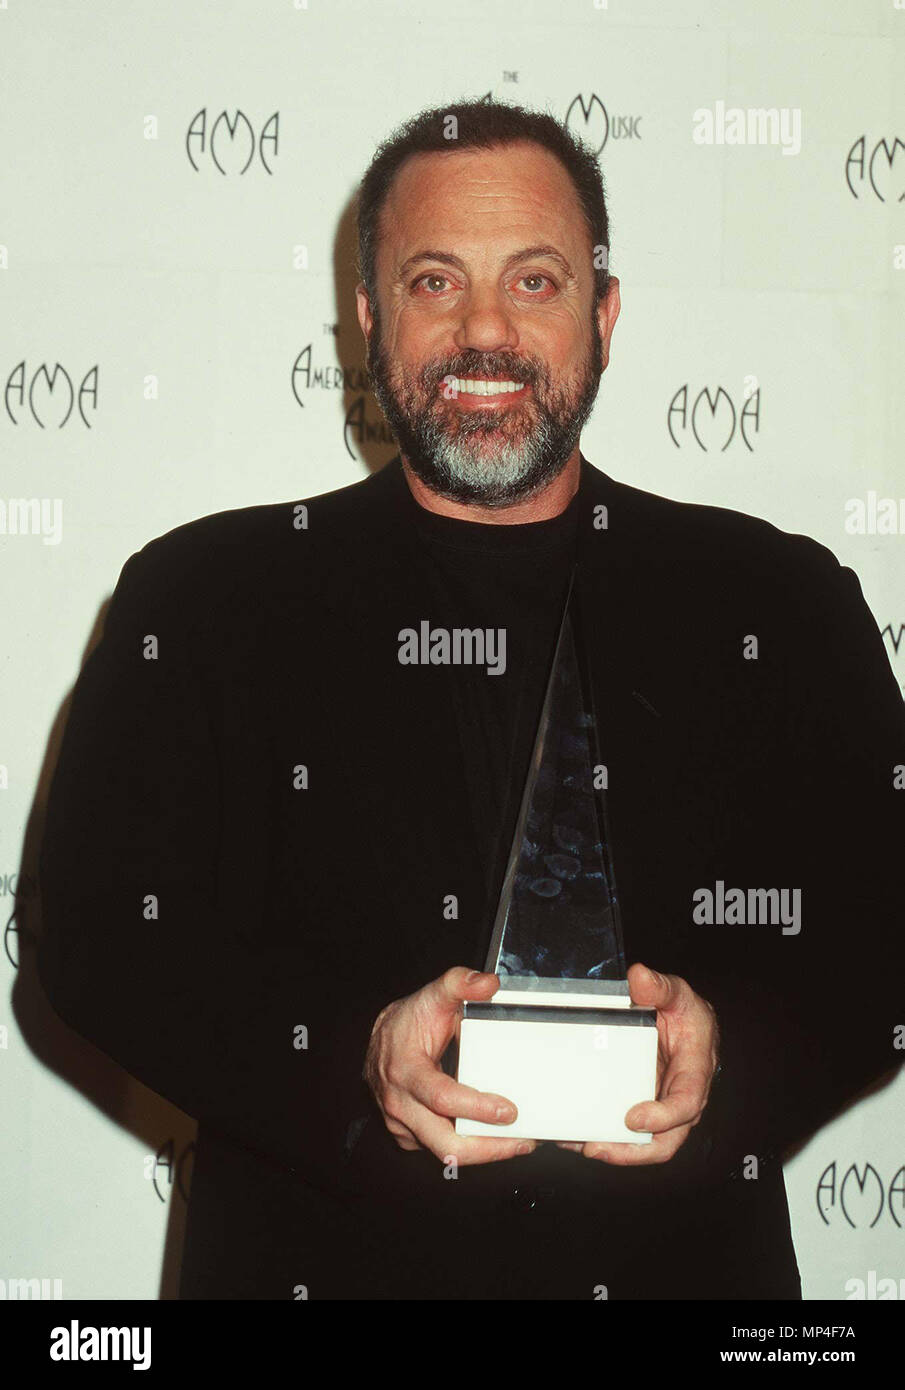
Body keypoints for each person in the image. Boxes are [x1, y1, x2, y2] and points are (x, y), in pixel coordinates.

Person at [37, 99, 904, 1301]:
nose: (483, 330)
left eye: (534, 281)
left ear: (604, 314)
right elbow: (98, 940)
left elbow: (878, 931)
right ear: (368, 318)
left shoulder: (779, 601)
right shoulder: (202, 599)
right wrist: (352, 1059)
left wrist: (732, 1057)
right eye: (434, 281)